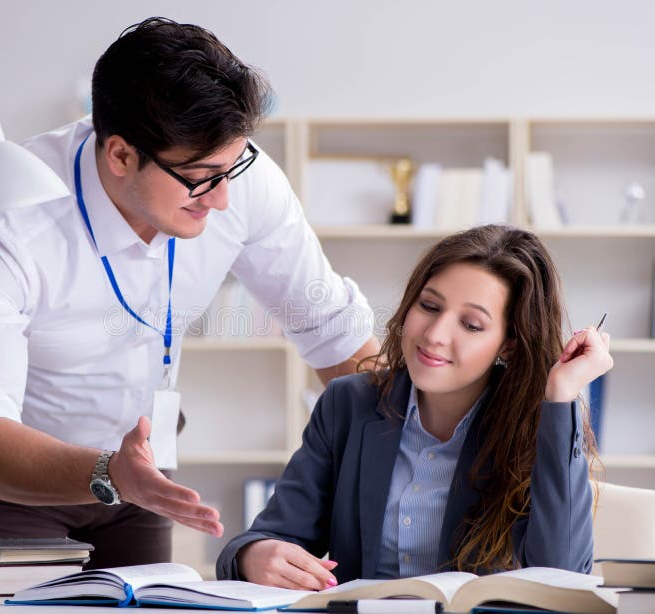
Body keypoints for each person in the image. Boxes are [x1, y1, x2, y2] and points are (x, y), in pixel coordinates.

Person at [0, 17, 379, 569]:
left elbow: (337, 336)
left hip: (144, 473)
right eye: (200, 177)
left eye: (234, 167)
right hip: (7, 487)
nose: (223, 199)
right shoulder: (0, 217)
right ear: (120, 155)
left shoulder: (231, 177)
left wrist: (421, 438)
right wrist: (108, 472)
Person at [217, 224, 613, 588]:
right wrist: (253, 556)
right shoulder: (348, 404)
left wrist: (560, 398)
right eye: (429, 306)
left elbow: (562, 579)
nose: (436, 335)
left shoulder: (535, 426)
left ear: (509, 344)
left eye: (471, 325)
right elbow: (271, 537)